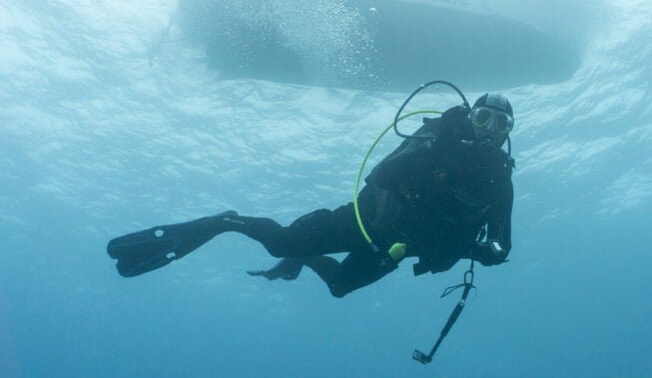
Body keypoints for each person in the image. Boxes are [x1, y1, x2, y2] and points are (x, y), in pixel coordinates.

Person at [107, 92, 515, 297]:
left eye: (501, 124)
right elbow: (381, 175)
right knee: (280, 243)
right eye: (484, 118)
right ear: (470, 118)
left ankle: (300, 259)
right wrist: (432, 166)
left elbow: (501, 246)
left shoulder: (500, 180)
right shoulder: (435, 145)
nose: (491, 130)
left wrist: (474, 250)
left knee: (339, 288)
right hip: (364, 220)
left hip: (395, 248)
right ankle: (224, 223)